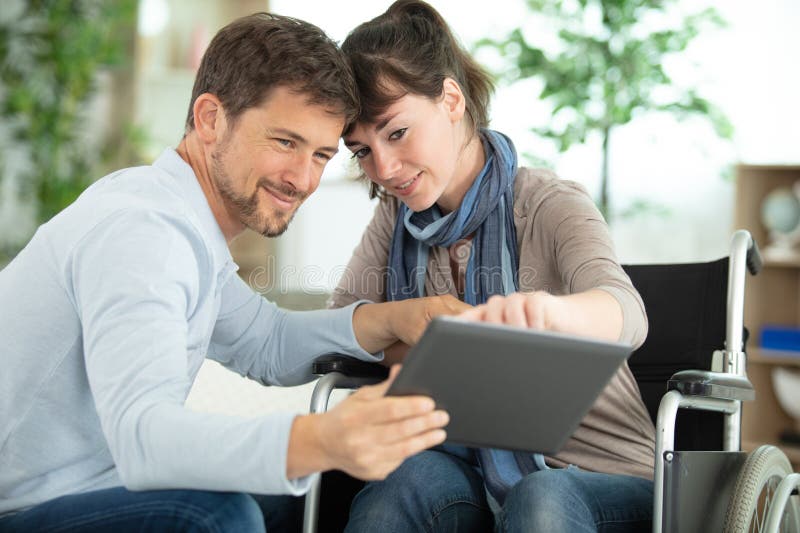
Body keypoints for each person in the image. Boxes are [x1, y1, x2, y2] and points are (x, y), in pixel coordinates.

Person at [0, 13, 464, 533]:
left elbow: (263, 342)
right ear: (210, 119)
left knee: (315, 492)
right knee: (220, 514)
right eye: (285, 142)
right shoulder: (141, 231)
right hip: (23, 507)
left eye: (321, 155)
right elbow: (142, 438)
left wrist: (394, 320)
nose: (303, 179)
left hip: (97, 494)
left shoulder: (184, 225)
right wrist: (323, 437)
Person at [331, 1, 656, 531]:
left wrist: (548, 316)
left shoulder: (548, 203)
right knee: (397, 486)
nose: (384, 170)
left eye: (396, 133)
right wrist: (433, 339)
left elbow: (626, 311)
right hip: (465, 465)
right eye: (362, 151)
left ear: (451, 99)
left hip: (603, 473)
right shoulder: (397, 218)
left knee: (541, 497)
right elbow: (342, 325)